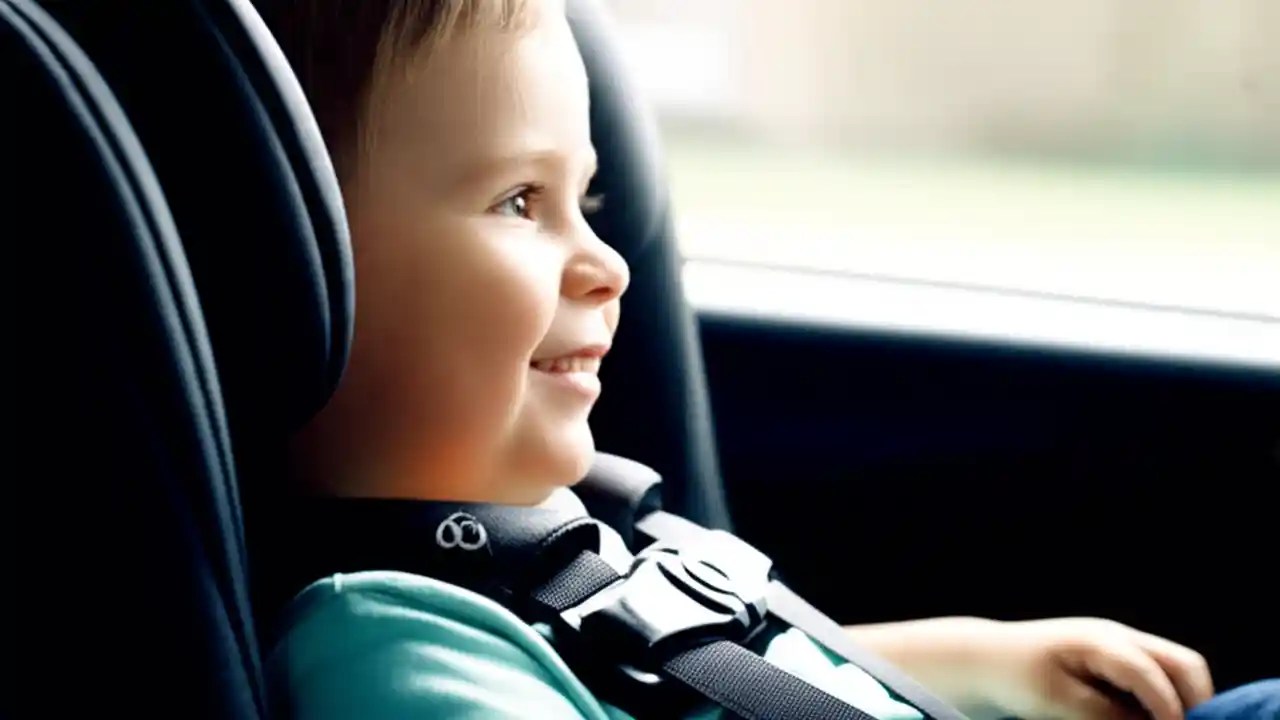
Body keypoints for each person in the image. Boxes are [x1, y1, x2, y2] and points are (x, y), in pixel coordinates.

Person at [253, 0, 1274, 717]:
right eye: (520, 202)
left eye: (587, 202)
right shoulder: (389, 642)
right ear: (298, 273)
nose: (607, 263)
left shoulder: (555, 546)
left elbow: (692, 676)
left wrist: (972, 660)